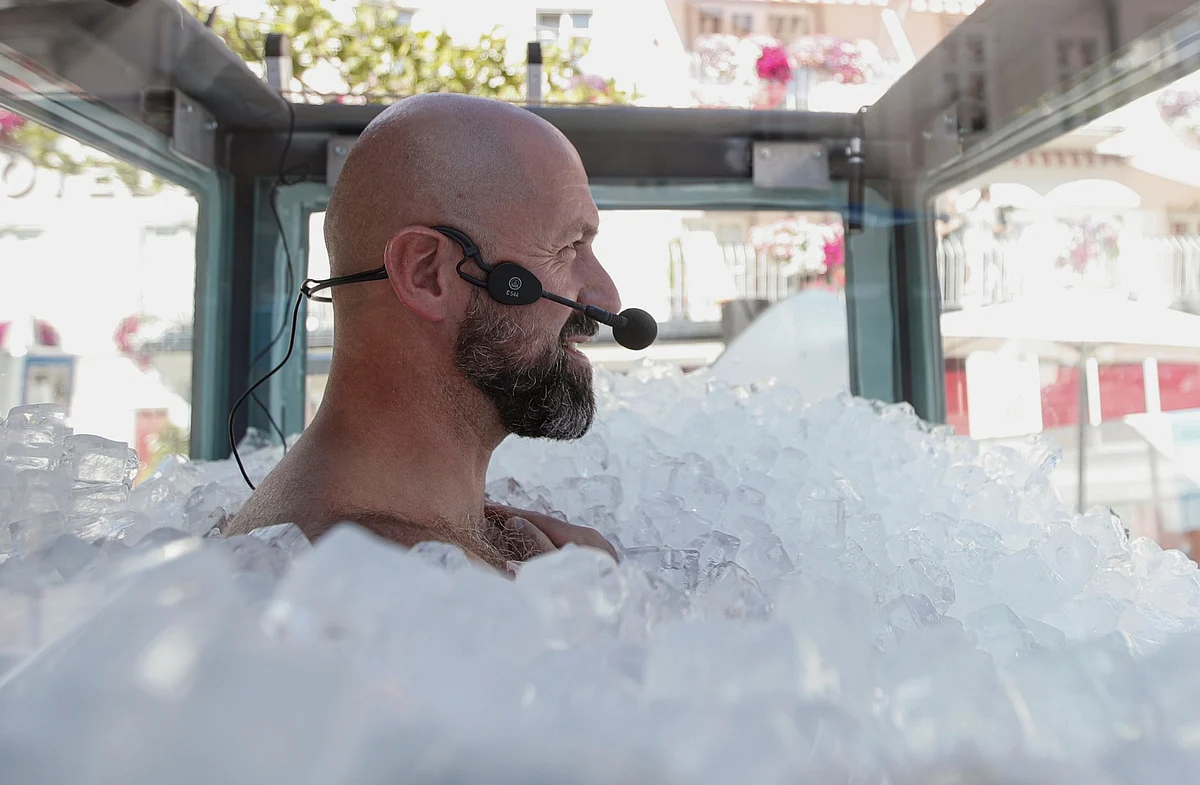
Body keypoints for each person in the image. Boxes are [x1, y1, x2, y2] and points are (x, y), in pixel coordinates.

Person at [225, 93, 621, 572]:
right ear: (427, 274)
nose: (607, 300)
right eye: (568, 247)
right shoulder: (393, 584)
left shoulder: (427, 540)